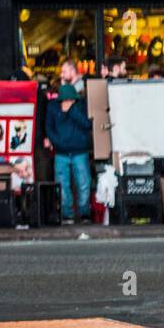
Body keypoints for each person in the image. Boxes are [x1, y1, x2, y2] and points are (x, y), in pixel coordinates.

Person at [44, 83, 92, 224]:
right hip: (61, 153)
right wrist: (57, 142)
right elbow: (49, 127)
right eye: (66, 100)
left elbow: (87, 124)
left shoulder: (81, 106)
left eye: (71, 100)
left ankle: (84, 214)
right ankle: (67, 214)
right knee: (63, 185)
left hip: (80, 151)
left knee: (83, 183)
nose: (68, 102)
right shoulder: (53, 107)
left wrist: (72, 111)